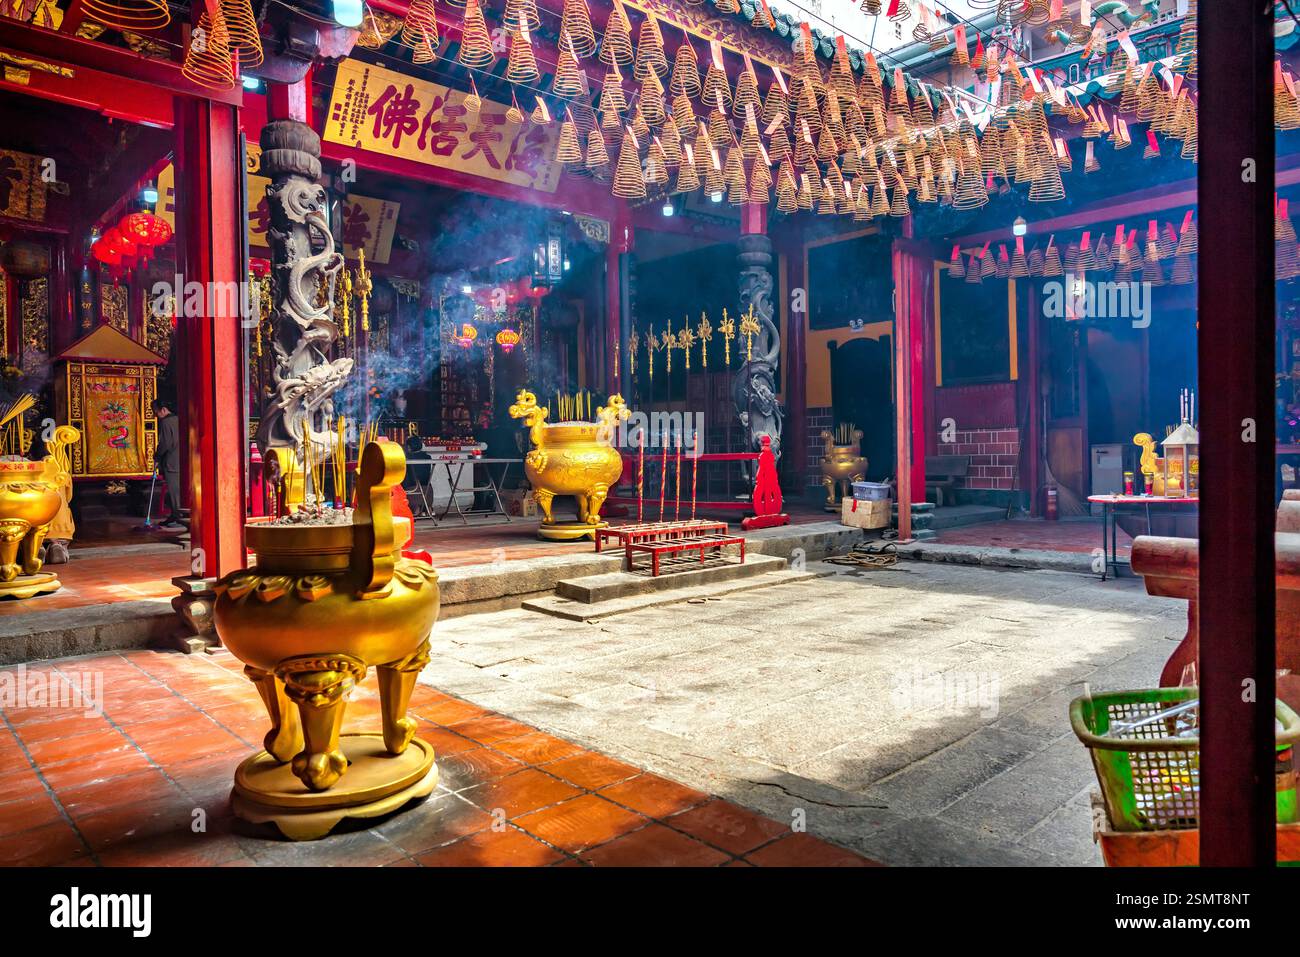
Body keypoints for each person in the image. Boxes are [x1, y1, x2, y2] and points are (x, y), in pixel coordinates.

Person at [152, 399, 184, 530]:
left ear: (163, 409)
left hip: (171, 462)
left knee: (174, 491)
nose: (156, 416)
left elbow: (166, 443)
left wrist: (157, 455)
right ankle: (175, 515)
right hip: (181, 460)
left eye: (156, 412)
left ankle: (177, 516)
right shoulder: (179, 419)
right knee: (179, 490)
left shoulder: (166, 422)